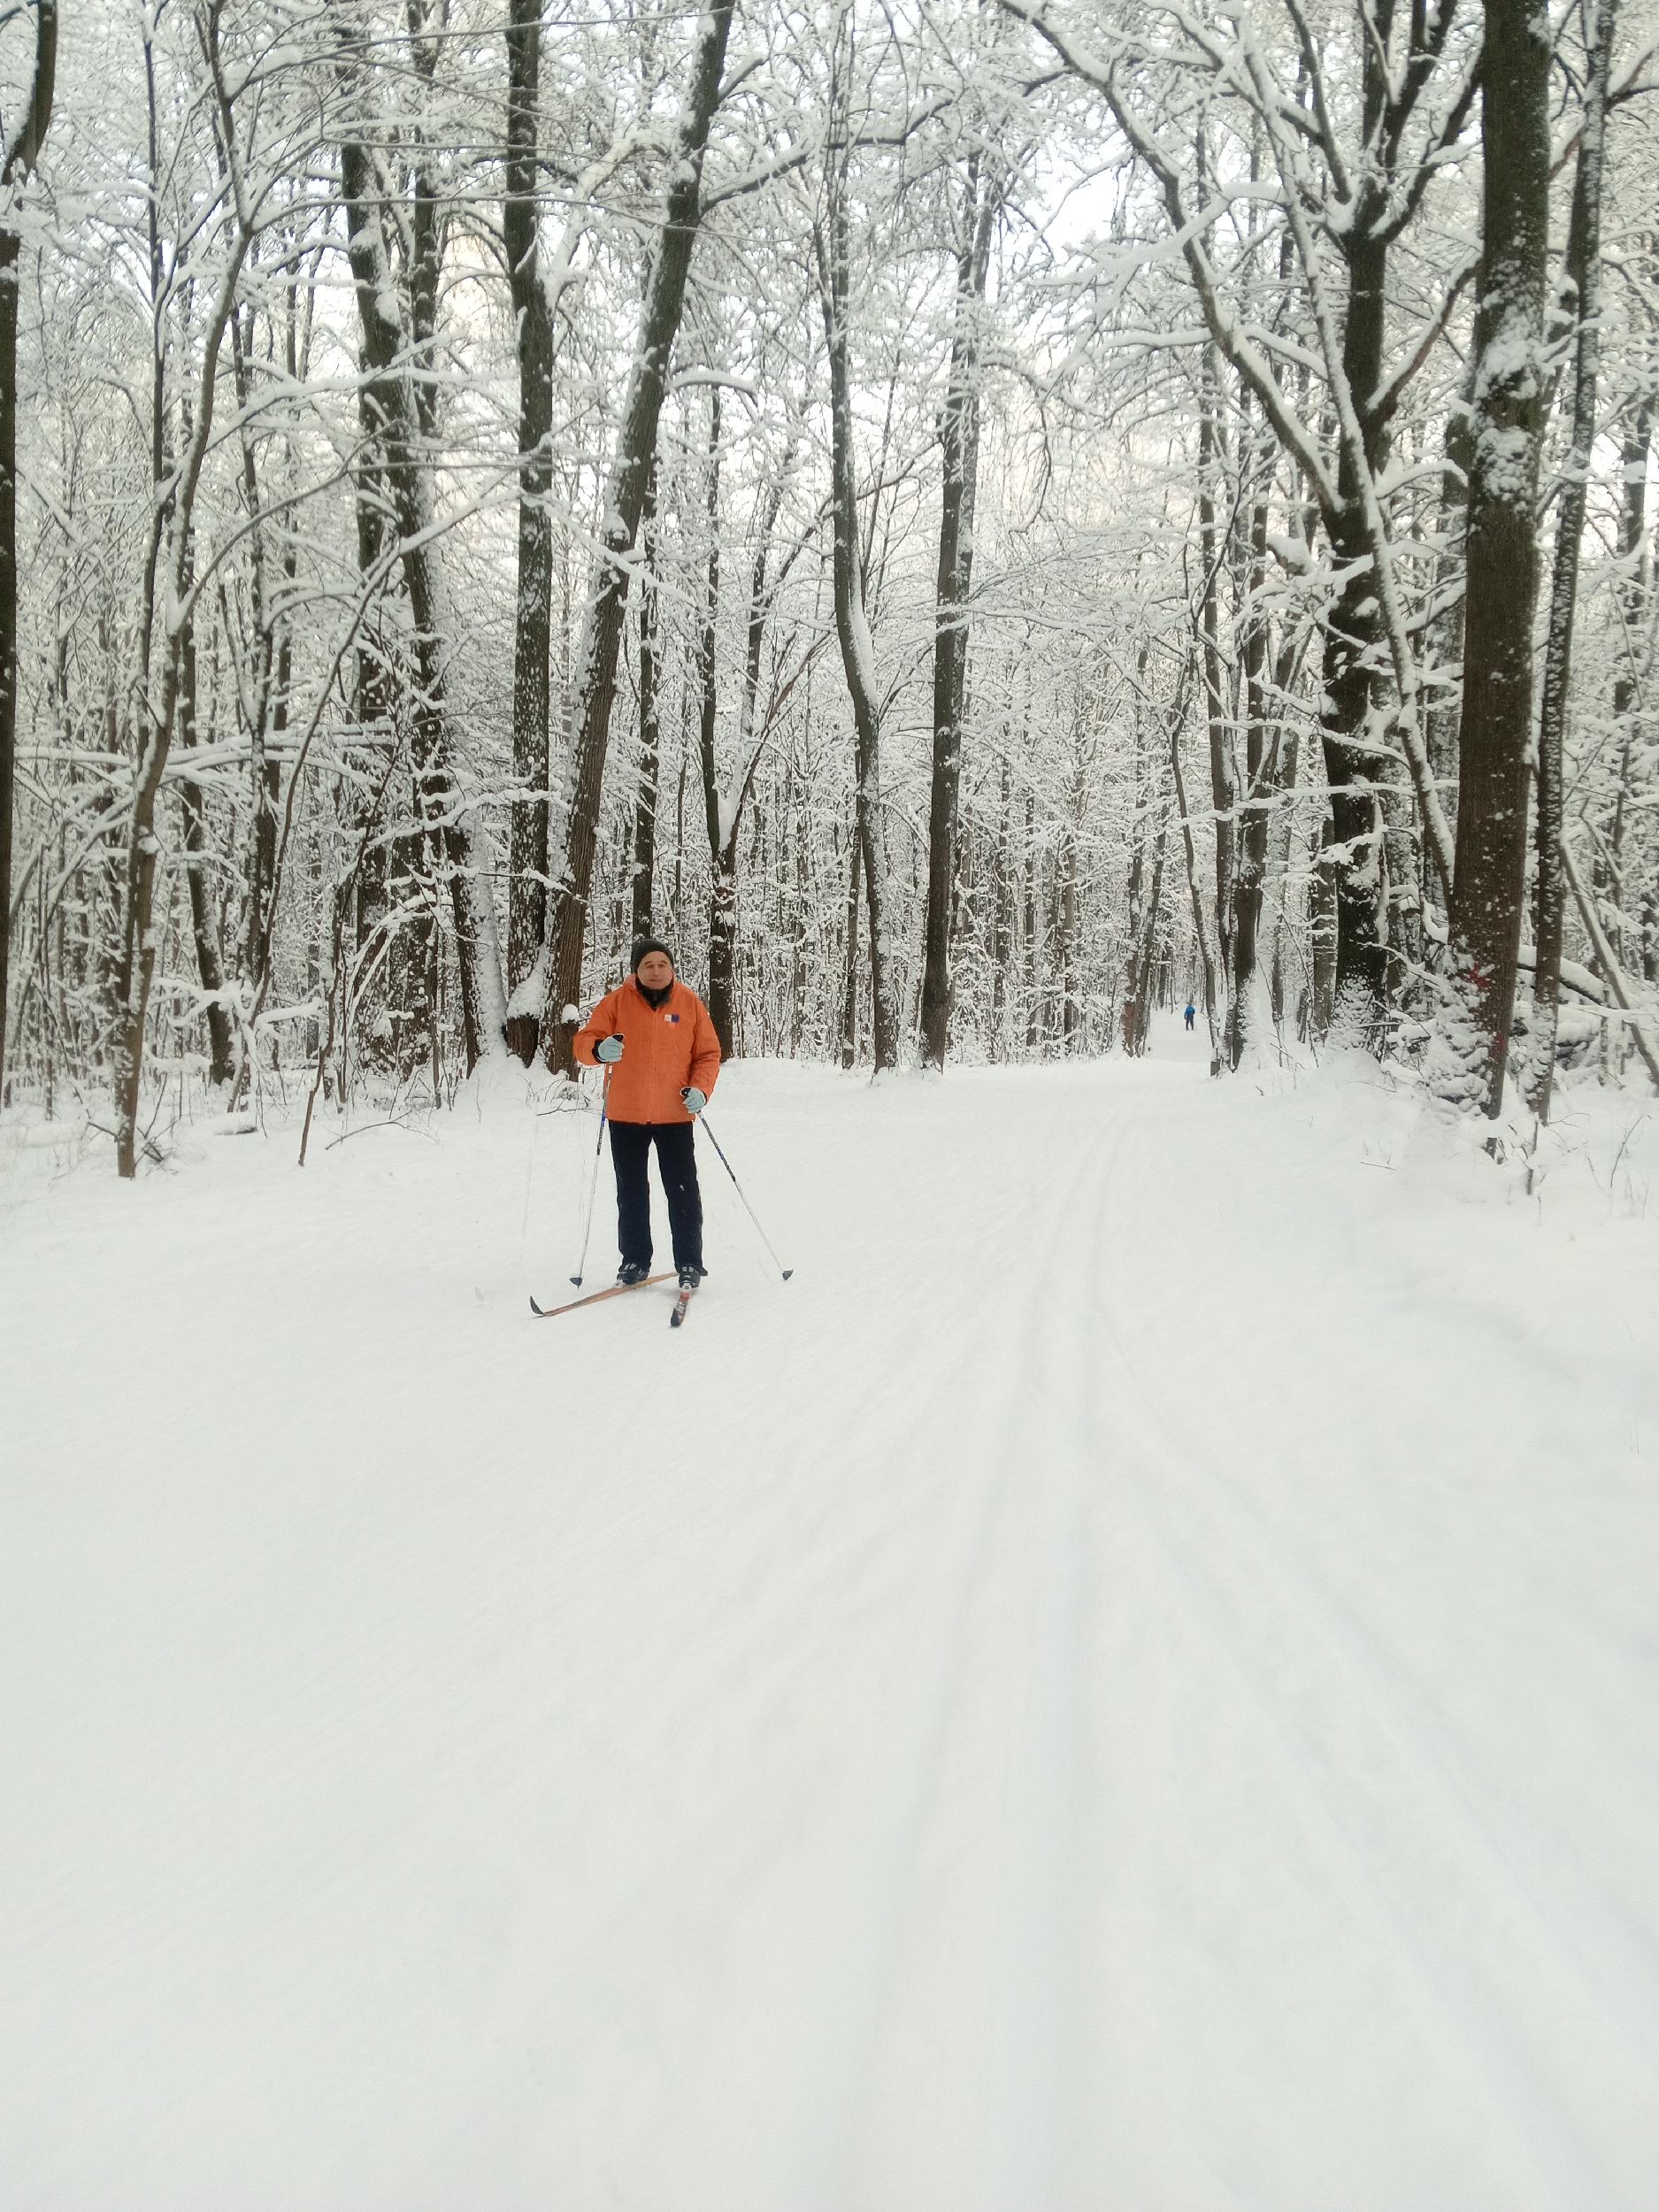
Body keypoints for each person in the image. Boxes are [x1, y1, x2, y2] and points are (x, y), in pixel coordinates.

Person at [573, 938, 721, 1292]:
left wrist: (701, 1090)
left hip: (675, 1114)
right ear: (636, 970)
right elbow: (583, 1043)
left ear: (672, 968)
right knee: (632, 1191)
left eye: (662, 965)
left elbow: (708, 1054)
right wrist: (597, 1048)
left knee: (683, 1191)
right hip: (626, 1114)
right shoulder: (616, 1003)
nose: (655, 972)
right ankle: (635, 1260)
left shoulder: (689, 1004)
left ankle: (689, 1260)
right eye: (647, 966)